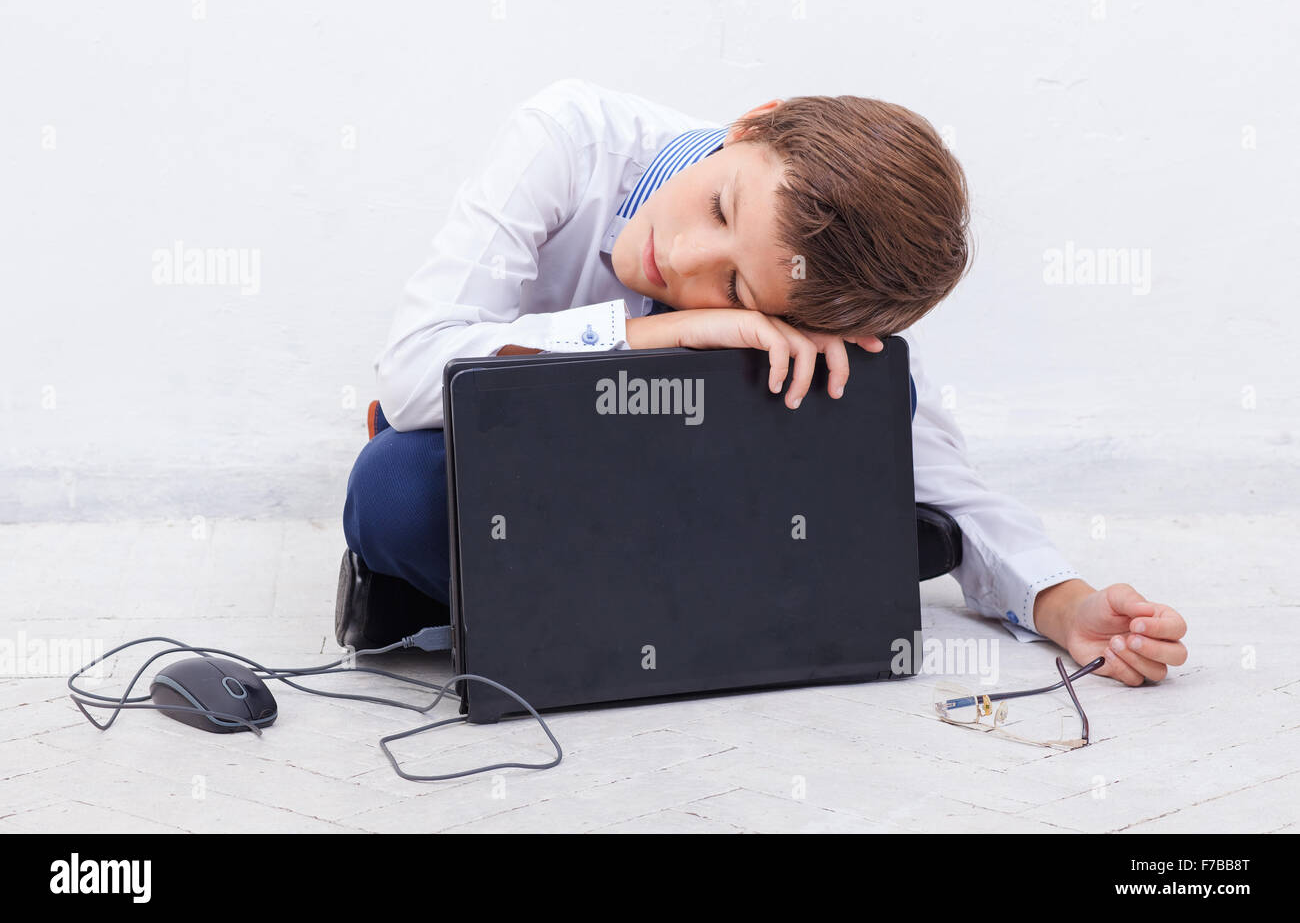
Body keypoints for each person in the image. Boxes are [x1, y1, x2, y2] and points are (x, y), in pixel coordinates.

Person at [341, 79, 1188, 687]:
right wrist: (654, 332)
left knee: (885, 464)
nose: (683, 260)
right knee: (395, 493)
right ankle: (720, 609)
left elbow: (948, 493)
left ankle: (614, 609)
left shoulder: (832, 307)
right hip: (525, 492)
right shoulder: (567, 141)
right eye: (720, 209)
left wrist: (1061, 602)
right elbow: (415, 374)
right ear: (755, 123)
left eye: (738, 289)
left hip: (652, 511)